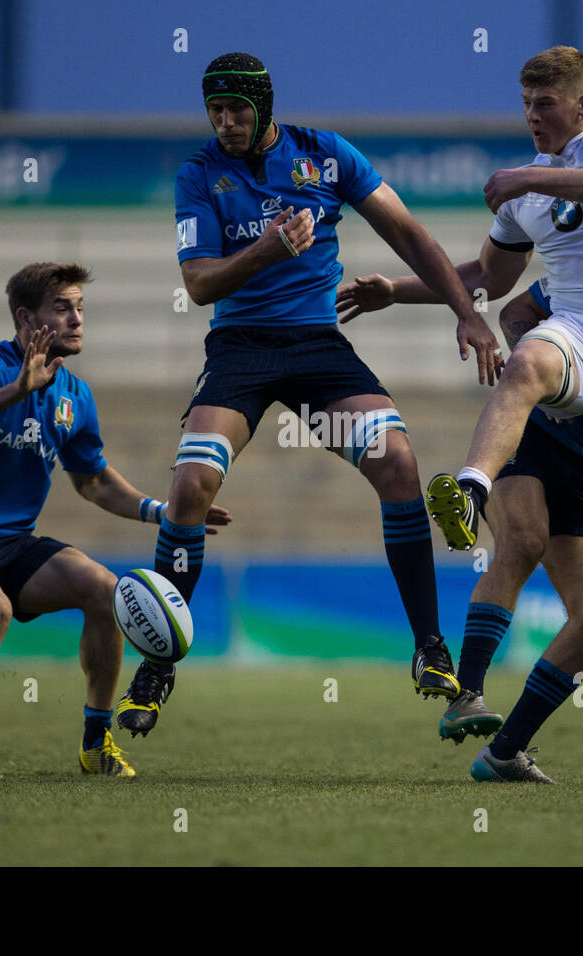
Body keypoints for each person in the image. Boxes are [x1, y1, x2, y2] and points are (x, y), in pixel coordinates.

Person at [113, 52, 503, 738]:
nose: (226, 123)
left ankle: (428, 648)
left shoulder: (324, 156)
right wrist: (267, 250)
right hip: (241, 349)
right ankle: (156, 663)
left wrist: (465, 310)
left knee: (399, 463)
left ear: (264, 108)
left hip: (317, 347)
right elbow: (201, 284)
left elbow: (410, 234)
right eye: (215, 111)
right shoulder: (200, 174)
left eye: (237, 110)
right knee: (191, 484)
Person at [340, 199, 583, 780]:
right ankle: (465, 695)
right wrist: (555, 381)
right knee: (523, 539)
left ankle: (505, 751)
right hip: (530, 438)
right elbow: (513, 310)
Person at [412, 47, 583, 753]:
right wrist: (398, 290)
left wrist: (527, 174)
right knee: (528, 361)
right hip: (575, 324)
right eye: (526, 105)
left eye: (546, 103)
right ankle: (471, 488)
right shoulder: (527, 192)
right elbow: (489, 274)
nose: (534, 116)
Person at [0, 262, 230, 779]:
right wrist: (16, 389)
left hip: (11, 543)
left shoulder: (75, 396)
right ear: (26, 318)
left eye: (81, 308)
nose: (77, 319)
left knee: (106, 590)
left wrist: (163, 512)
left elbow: (92, 481)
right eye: (63, 308)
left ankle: (96, 746)